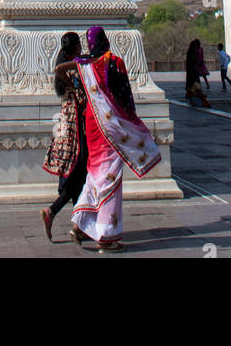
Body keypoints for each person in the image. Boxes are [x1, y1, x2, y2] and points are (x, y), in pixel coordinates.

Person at [56, 25, 161, 252]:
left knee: (95, 175)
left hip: (92, 125)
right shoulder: (113, 62)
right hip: (111, 127)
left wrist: (73, 82)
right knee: (110, 180)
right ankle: (107, 237)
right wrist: (131, 122)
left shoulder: (85, 64)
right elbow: (125, 96)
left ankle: (79, 225)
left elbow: (60, 69)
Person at [41, 32, 89, 240]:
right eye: (80, 46)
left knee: (78, 176)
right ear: (77, 47)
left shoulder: (65, 67)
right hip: (76, 126)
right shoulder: (72, 70)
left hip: (65, 125)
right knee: (81, 172)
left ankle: (77, 224)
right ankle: (57, 213)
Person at [185, 39, 211, 108]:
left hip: (192, 73)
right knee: (195, 85)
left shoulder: (191, 52)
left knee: (194, 85)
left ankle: (194, 94)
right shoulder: (192, 52)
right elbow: (193, 62)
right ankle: (197, 95)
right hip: (193, 72)